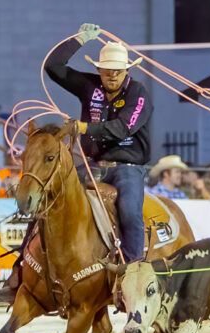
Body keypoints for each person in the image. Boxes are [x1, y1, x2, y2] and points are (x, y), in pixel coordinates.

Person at [43, 24, 152, 263]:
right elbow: (52, 67)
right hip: (93, 164)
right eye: (106, 70)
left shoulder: (138, 93)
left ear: (126, 71)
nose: (112, 75)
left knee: (130, 212)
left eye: (117, 70)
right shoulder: (89, 86)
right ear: (99, 70)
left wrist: (83, 128)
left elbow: (123, 128)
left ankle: (132, 267)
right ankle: (30, 259)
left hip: (127, 167)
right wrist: (80, 39)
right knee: (51, 194)